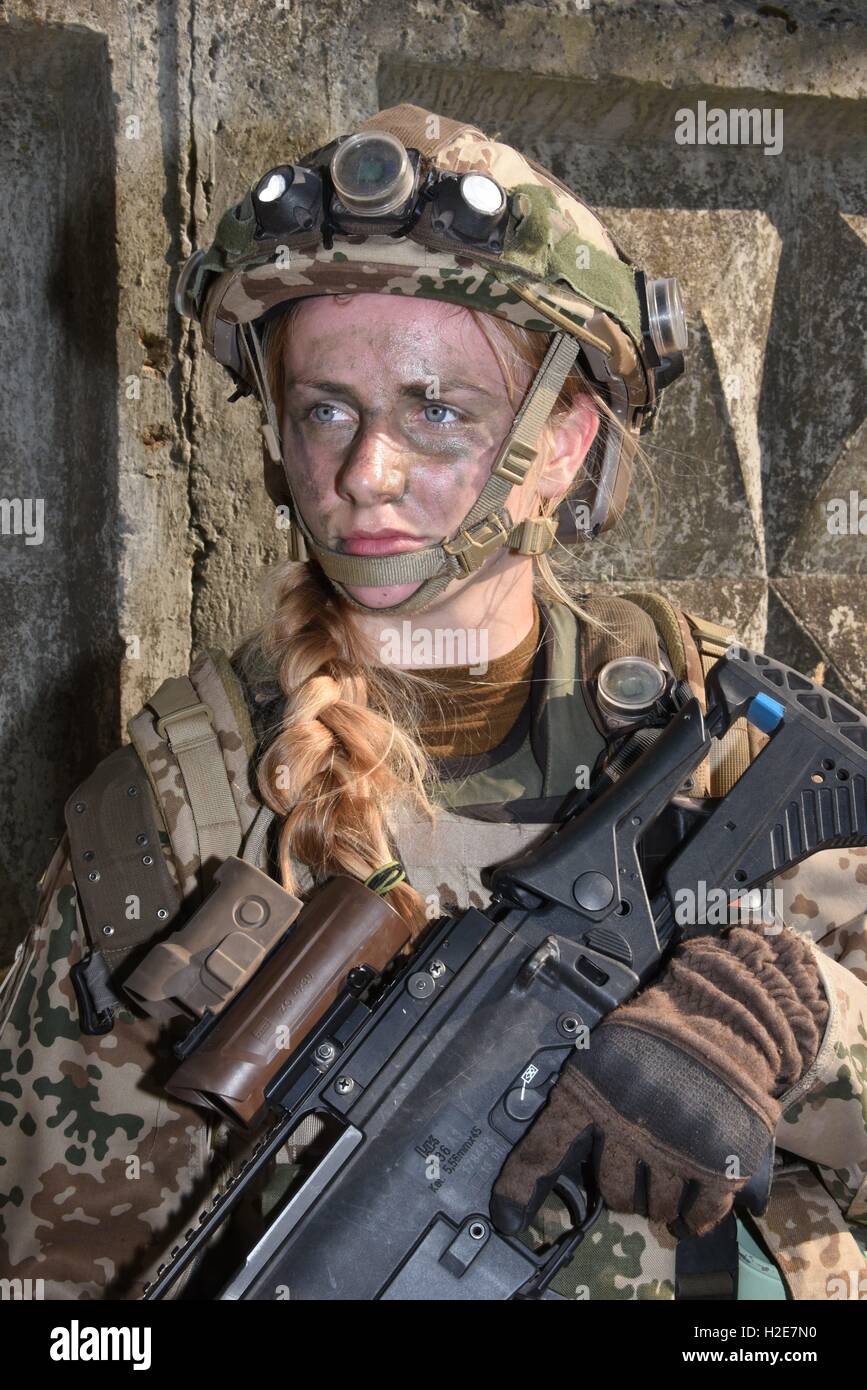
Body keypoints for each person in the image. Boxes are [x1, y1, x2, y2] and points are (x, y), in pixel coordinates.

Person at [1, 103, 865, 1303]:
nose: (366, 472)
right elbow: (63, 1291)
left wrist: (803, 1020)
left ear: (563, 441)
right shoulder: (178, 808)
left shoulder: (723, 742)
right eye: (327, 409)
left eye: (437, 410)